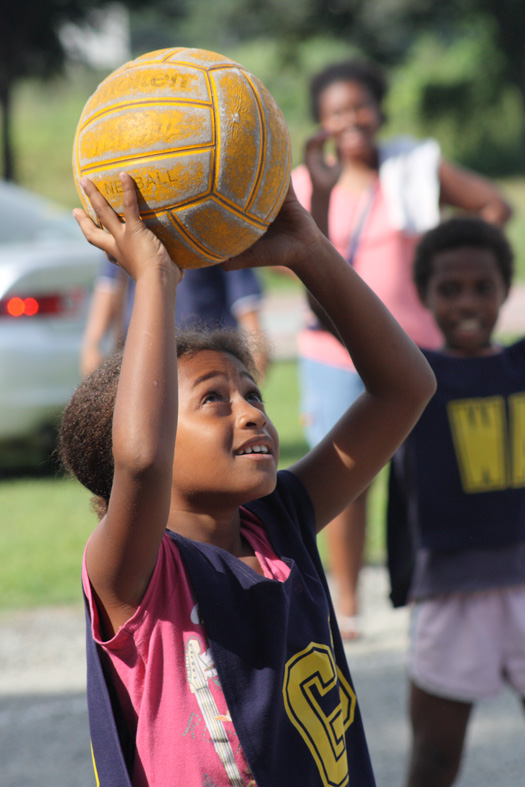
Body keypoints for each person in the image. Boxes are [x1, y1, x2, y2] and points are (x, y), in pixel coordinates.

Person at [59, 172, 435, 787]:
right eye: (214, 400)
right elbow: (142, 461)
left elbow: (406, 388)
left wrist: (309, 251)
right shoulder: (134, 572)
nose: (251, 410)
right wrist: (154, 277)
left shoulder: (280, 521)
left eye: (251, 392)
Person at [291, 58, 513, 638]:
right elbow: (303, 254)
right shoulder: (304, 180)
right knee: (343, 474)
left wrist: (456, 260)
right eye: (337, 111)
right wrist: (321, 189)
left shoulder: (414, 167)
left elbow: (494, 204)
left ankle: (430, 582)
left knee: (429, 471)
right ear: (320, 122)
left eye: (360, 106)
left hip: (415, 352)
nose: (351, 119)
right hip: (334, 352)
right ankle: (347, 603)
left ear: (379, 109)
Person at [386, 216, 525, 787]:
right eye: (449, 289)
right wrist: (316, 211)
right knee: (436, 758)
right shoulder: (413, 378)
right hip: (449, 590)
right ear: (424, 295)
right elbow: (334, 310)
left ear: (505, 291)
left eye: (482, 288)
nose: (467, 302)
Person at [80, 251, 268, 377]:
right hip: (144, 353)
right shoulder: (134, 219)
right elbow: (109, 284)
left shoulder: (213, 219)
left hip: (205, 355)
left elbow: (243, 295)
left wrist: (256, 346)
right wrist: (93, 343)